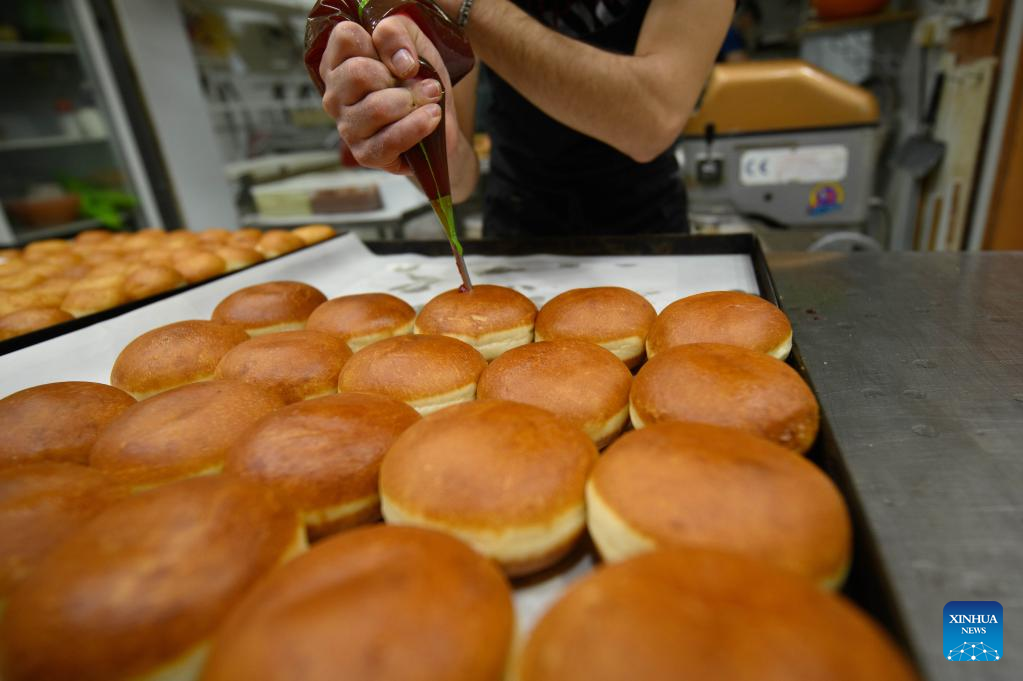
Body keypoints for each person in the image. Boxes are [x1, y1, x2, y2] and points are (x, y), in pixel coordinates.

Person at [315, 0, 731, 237]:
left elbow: (651, 120)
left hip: (645, 229)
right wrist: (417, 136)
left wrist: (464, 5)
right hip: (515, 225)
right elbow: (458, 179)